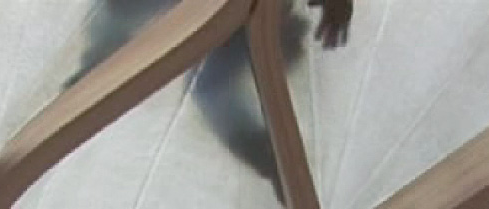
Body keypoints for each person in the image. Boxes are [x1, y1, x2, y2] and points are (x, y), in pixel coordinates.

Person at [63, 0, 355, 197]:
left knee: (210, 90)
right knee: (209, 88)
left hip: (249, 24)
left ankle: (269, 160)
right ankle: (91, 73)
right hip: (233, 24)